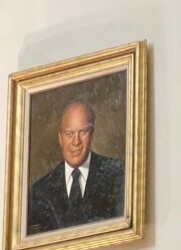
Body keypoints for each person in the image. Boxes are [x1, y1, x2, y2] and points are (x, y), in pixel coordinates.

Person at [26, 99, 124, 235]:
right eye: (69, 134)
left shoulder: (119, 174)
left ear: (92, 134)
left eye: (83, 132)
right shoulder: (39, 191)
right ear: (60, 137)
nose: (76, 142)